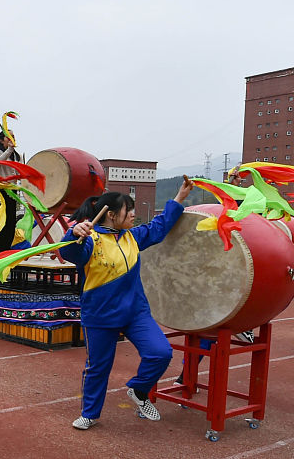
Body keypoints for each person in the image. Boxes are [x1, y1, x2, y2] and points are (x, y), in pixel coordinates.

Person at [59, 182, 194, 429]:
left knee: (160, 352)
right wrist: (73, 234)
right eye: (128, 210)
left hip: (135, 313)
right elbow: (69, 253)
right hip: (100, 315)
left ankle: (138, 389)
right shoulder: (90, 240)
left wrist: (179, 197)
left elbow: (159, 226)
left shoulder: (133, 236)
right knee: (98, 367)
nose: (133, 214)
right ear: (111, 215)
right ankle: (90, 414)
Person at [0, 131, 22, 254]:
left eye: (14, 136)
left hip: (11, 191)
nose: (13, 138)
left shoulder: (17, 156)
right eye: (9, 136)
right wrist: (9, 150)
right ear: (2, 140)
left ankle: (6, 248)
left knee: (10, 221)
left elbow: (19, 173)